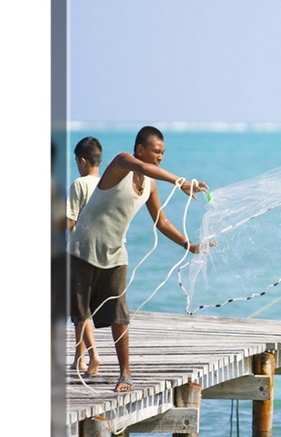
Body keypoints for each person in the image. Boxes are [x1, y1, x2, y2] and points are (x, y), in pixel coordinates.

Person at [67, 125, 215, 393]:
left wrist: (189, 245)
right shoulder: (122, 161)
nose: (160, 156)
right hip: (83, 249)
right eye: (156, 151)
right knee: (80, 313)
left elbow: (162, 221)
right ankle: (83, 360)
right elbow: (145, 169)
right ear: (140, 150)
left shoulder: (150, 186)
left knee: (119, 315)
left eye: (163, 152)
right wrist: (180, 181)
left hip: (115, 254)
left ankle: (125, 374)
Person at [66, 136, 103, 376]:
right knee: (83, 308)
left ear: (81, 161)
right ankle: (79, 358)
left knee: (81, 310)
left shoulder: (79, 184)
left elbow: (70, 222)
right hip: (103, 252)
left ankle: (93, 355)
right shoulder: (106, 186)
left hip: (80, 252)